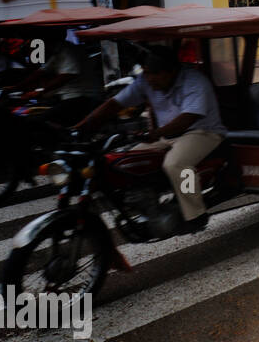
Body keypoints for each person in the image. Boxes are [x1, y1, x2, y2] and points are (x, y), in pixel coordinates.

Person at [76, 45, 226, 234]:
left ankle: (195, 214)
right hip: (166, 135)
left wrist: (155, 133)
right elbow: (115, 103)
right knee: (124, 162)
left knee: (177, 164)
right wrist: (82, 126)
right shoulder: (146, 81)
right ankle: (144, 203)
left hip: (202, 132)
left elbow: (188, 118)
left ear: (172, 71)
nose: (149, 79)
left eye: (155, 74)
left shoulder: (195, 81)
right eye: (146, 73)